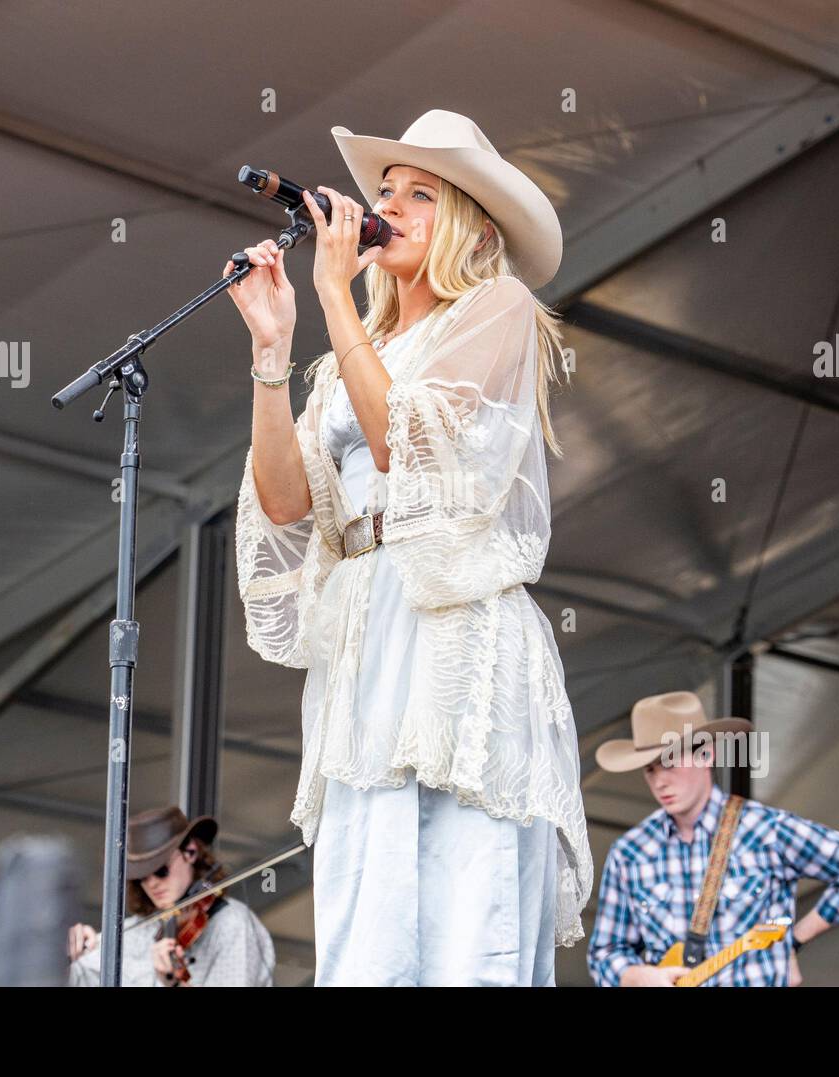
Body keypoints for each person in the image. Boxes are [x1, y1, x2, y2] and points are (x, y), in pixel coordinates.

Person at [226, 109, 592, 986]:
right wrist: (274, 353)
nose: (387, 206)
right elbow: (284, 498)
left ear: (465, 220)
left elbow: (405, 446)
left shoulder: (496, 309)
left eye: (417, 193)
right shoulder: (359, 351)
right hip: (365, 631)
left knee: (465, 906)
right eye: (382, 190)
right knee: (370, 903)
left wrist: (331, 301)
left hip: (455, 629)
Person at [587, 691, 839, 987]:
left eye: (669, 763)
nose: (659, 781)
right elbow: (605, 953)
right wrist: (638, 976)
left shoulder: (766, 829)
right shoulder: (630, 852)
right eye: (649, 770)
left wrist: (794, 941)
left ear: (706, 753)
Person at [67, 806, 275, 987]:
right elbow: (76, 979)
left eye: (160, 870)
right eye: (142, 877)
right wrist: (64, 952)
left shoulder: (232, 924)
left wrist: (174, 984)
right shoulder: (136, 931)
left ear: (190, 852)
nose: (152, 883)